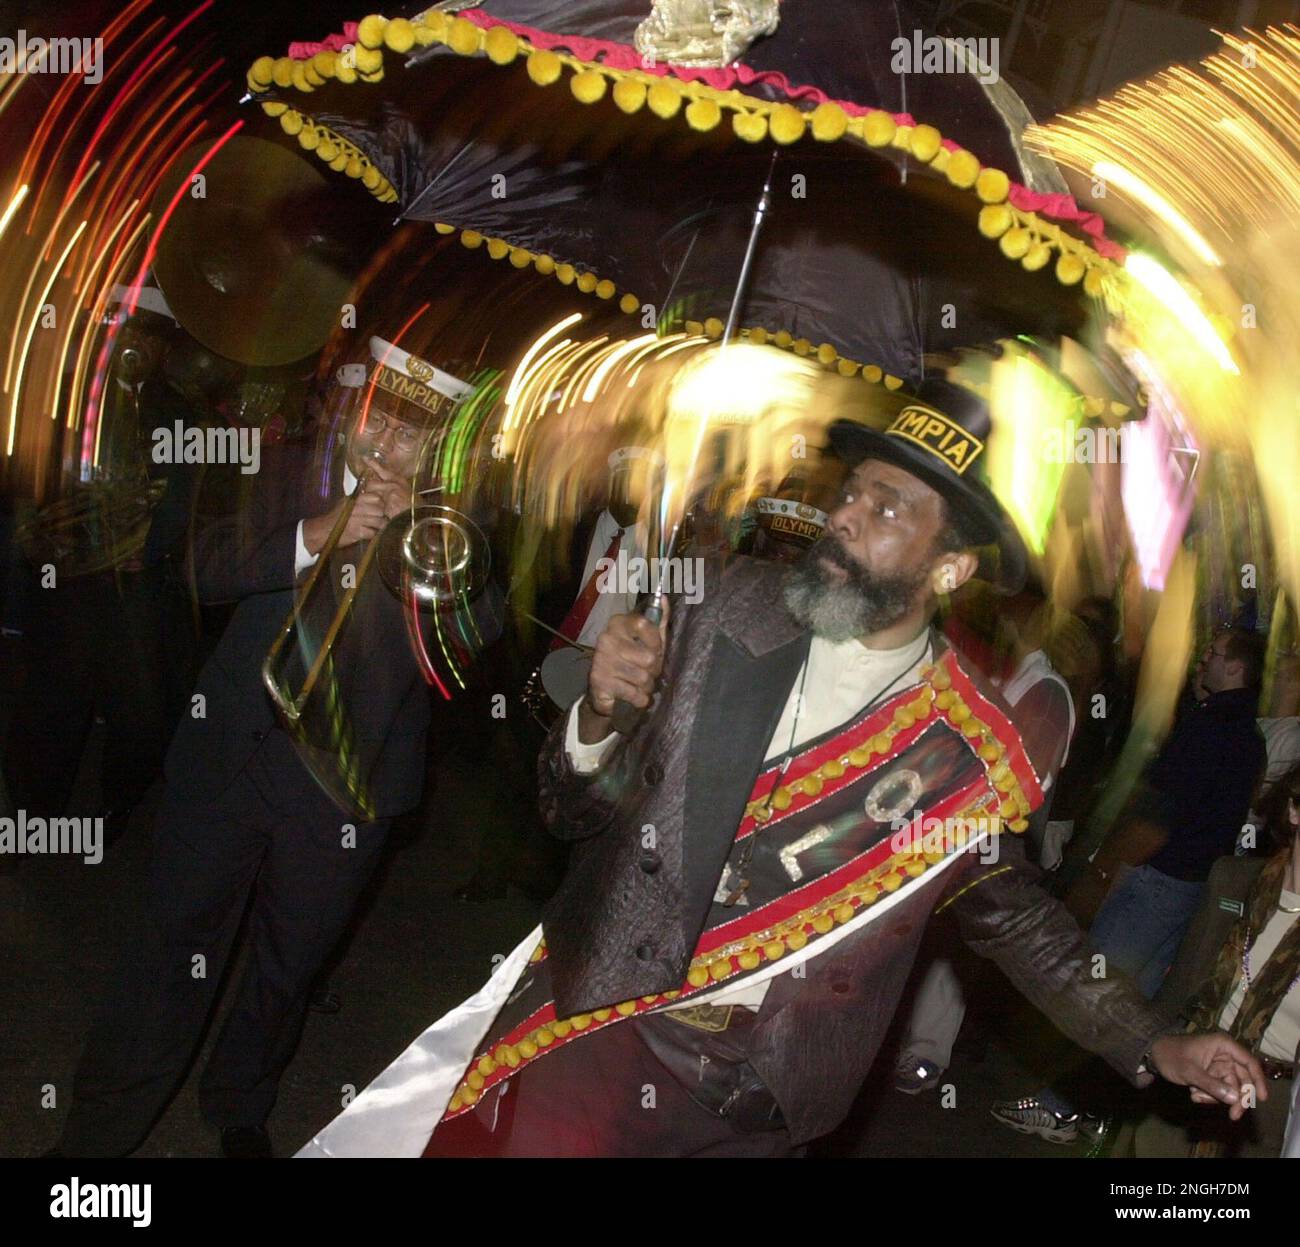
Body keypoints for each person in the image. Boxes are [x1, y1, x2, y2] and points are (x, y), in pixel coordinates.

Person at [297, 380, 1266, 1158]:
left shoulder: (964, 744)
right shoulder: (720, 607)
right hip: (615, 1025)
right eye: (849, 491)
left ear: (948, 570)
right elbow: (565, 808)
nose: (843, 516)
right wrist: (596, 716)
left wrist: (1153, 1040)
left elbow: (1016, 916)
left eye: (885, 507)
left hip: (766, 1098)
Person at [54, 336, 471, 1158]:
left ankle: (240, 1103)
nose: (390, 443)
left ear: (441, 443)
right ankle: (96, 1136)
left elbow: (475, 640)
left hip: (348, 789)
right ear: (354, 406)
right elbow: (200, 569)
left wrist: (423, 554)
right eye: (381, 418)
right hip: (233, 754)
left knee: (289, 965)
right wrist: (321, 531)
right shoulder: (278, 465)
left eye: (414, 432)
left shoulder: (455, 523)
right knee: (170, 948)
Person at [991, 625, 1267, 1143]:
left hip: (1157, 881)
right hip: (1189, 886)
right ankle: (1096, 1108)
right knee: (1138, 997)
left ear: (1236, 669)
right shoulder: (1249, 737)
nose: (1205, 655)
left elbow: (1161, 812)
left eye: (1216, 652)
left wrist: (1103, 868)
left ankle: (1060, 1108)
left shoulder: (1208, 726)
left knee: (1096, 986)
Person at [1133, 764, 1300, 1156]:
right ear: (1294, 810)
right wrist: (1144, 1059)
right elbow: (1179, 986)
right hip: (1186, 1079)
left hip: (1269, 1113)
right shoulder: (1232, 878)